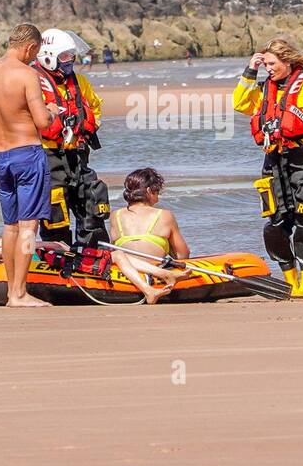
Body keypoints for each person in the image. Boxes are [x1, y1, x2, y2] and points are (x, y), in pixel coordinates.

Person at [232, 38, 303, 298]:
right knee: (276, 223)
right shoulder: (263, 90)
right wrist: (251, 69)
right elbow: (239, 103)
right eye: (266, 64)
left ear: (288, 61)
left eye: (272, 63)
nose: (268, 68)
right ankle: (290, 280)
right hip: (273, 163)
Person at [0, 23, 56, 307]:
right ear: (30, 47)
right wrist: (53, 112)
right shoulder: (26, 74)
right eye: (36, 52)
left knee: (10, 227)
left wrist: (4, 120)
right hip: (27, 154)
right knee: (29, 227)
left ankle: (11, 292)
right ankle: (20, 293)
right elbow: (43, 122)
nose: (35, 58)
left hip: (1, 157)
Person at [33, 29, 111, 246]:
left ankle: (93, 253)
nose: (70, 61)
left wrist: (87, 128)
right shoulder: (33, 82)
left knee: (92, 202)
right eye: (65, 56)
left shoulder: (79, 82)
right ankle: (58, 257)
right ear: (48, 56)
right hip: (49, 155)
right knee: (55, 214)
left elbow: (94, 106)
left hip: (78, 154)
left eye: (71, 56)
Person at [108, 168, 191, 304]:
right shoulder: (164, 215)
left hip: (126, 268)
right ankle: (164, 276)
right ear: (148, 191)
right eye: (157, 191)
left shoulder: (115, 215)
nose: (158, 198)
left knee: (116, 253)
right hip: (151, 267)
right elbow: (182, 255)